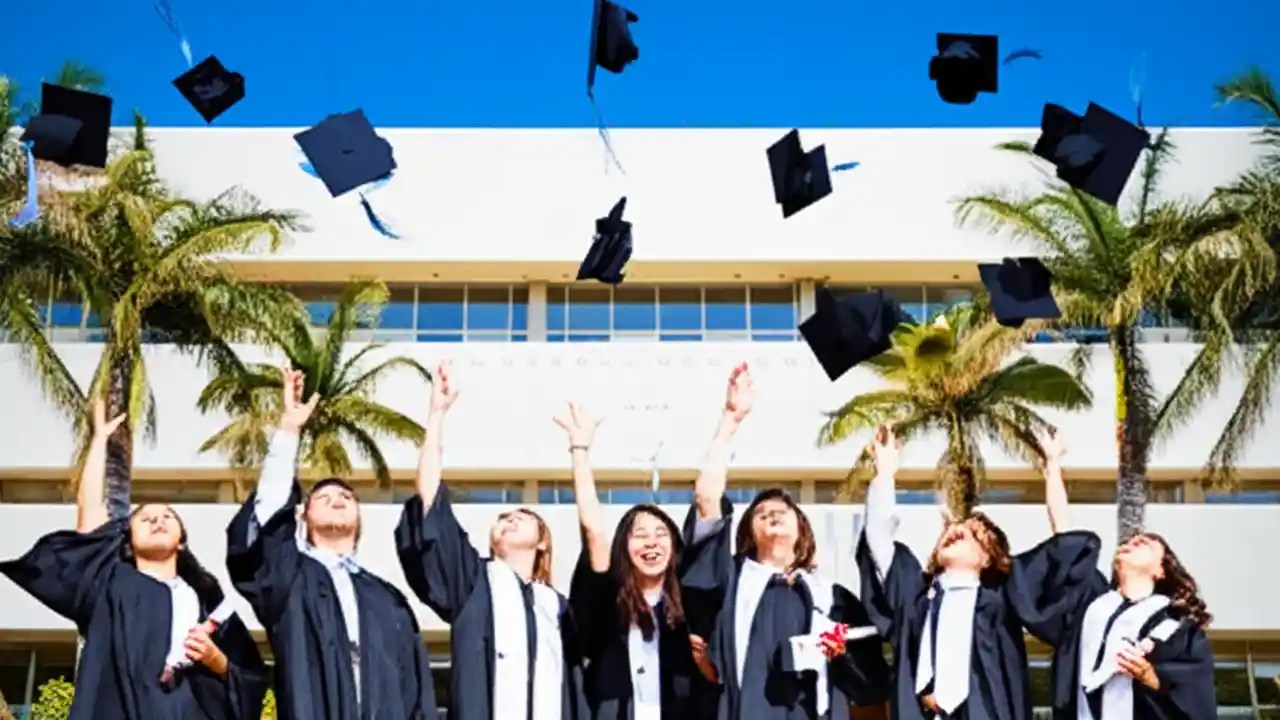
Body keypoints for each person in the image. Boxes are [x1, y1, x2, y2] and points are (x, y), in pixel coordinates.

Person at [0, 399, 267, 720]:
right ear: (128, 541)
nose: (157, 520)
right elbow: (90, 513)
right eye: (145, 518)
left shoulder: (207, 600)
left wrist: (216, 660)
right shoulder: (108, 583)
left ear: (181, 541)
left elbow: (249, 678)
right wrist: (99, 439)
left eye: (168, 516)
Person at [682, 363, 891, 720]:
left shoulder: (834, 599)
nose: (772, 514)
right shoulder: (731, 582)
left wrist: (840, 650)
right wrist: (729, 422)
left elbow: (870, 686)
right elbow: (707, 502)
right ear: (748, 532)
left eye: (782, 510)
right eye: (761, 513)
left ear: (802, 528)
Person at [225, 368, 436, 720]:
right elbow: (266, 524)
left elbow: (417, 694)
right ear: (302, 518)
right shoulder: (290, 578)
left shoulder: (388, 599)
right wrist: (290, 429)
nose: (337, 499)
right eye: (322, 497)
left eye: (346, 496)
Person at [858, 426, 1105, 720]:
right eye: (951, 530)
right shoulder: (916, 597)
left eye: (972, 533)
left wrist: (1052, 468)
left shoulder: (1004, 595)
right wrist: (885, 473)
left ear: (989, 558)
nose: (957, 530)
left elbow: (1063, 552)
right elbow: (878, 538)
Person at [395, 361, 586, 720]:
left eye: (523, 517)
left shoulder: (558, 609)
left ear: (543, 542)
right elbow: (430, 499)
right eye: (503, 518)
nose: (509, 517)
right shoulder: (473, 581)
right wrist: (436, 416)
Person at [1016, 431, 1216, 719]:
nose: (1130, 543)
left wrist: (1152, 677)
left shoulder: (1176, 627)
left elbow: (1196, 694)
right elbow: (1064, 535)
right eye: (1128, 542)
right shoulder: (1091, 601)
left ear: (1161, 570)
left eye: (1144, 544)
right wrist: (1053, 464)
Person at [556, 399, 718, 720]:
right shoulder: (608, 599)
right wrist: (580, 450)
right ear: (623, 547)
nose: (651, 542)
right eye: (639, 534)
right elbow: (592, 530)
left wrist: (727, 424)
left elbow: (709, 509)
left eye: (660, 533)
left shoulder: (690, 604)